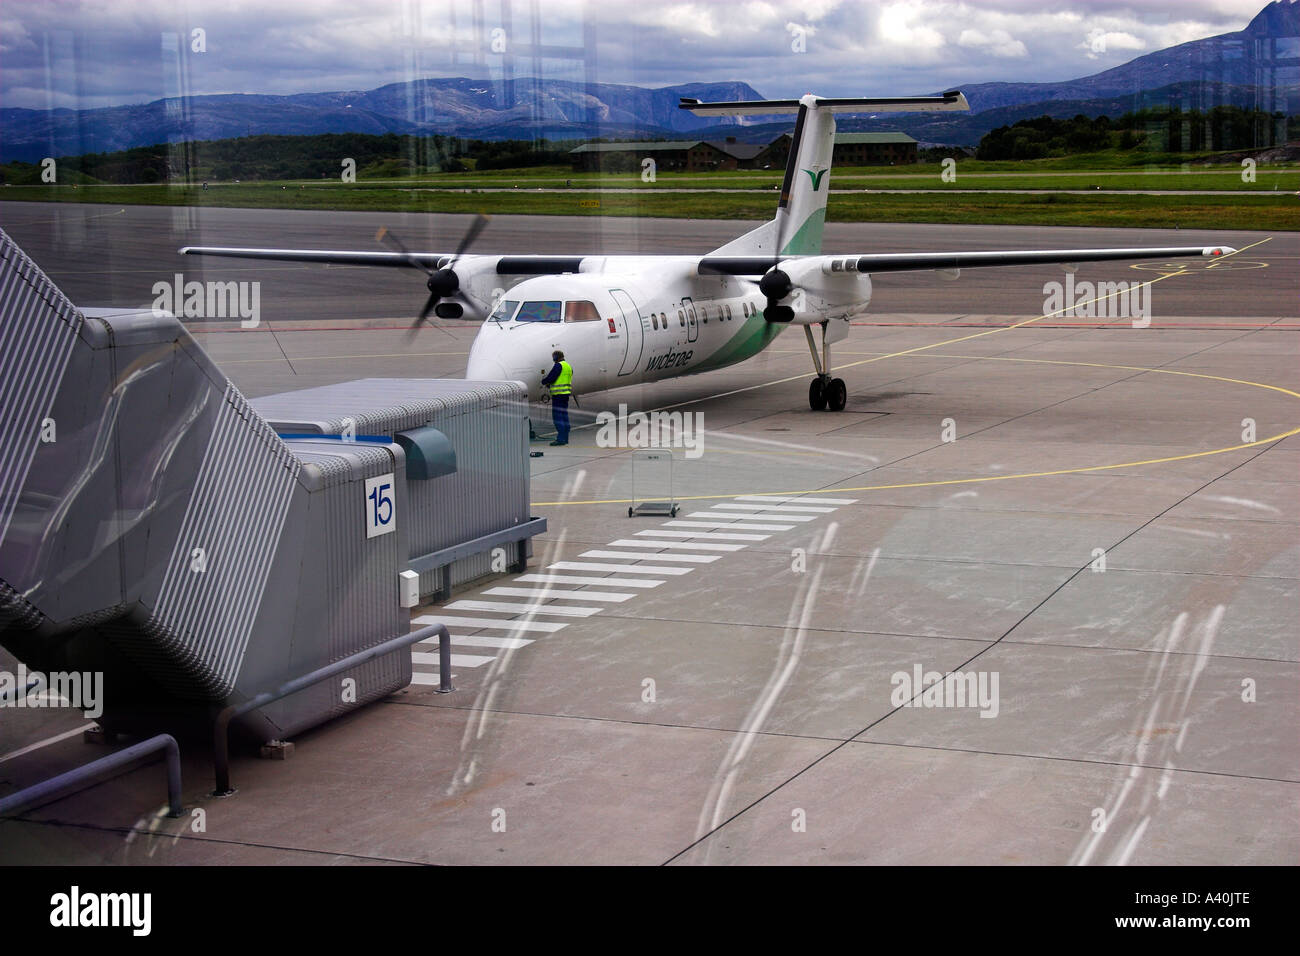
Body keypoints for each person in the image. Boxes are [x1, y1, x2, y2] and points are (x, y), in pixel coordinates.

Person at [540, 349, 573, 445]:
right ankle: (565, 438)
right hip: (565, 394)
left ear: (555, 357)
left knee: (558, 417)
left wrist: (544, 382)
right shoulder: (568, 366)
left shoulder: (558, 366)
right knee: (564, 415)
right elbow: (563, 379)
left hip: (558, 395)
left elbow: (552, 377)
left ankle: (561, 439)